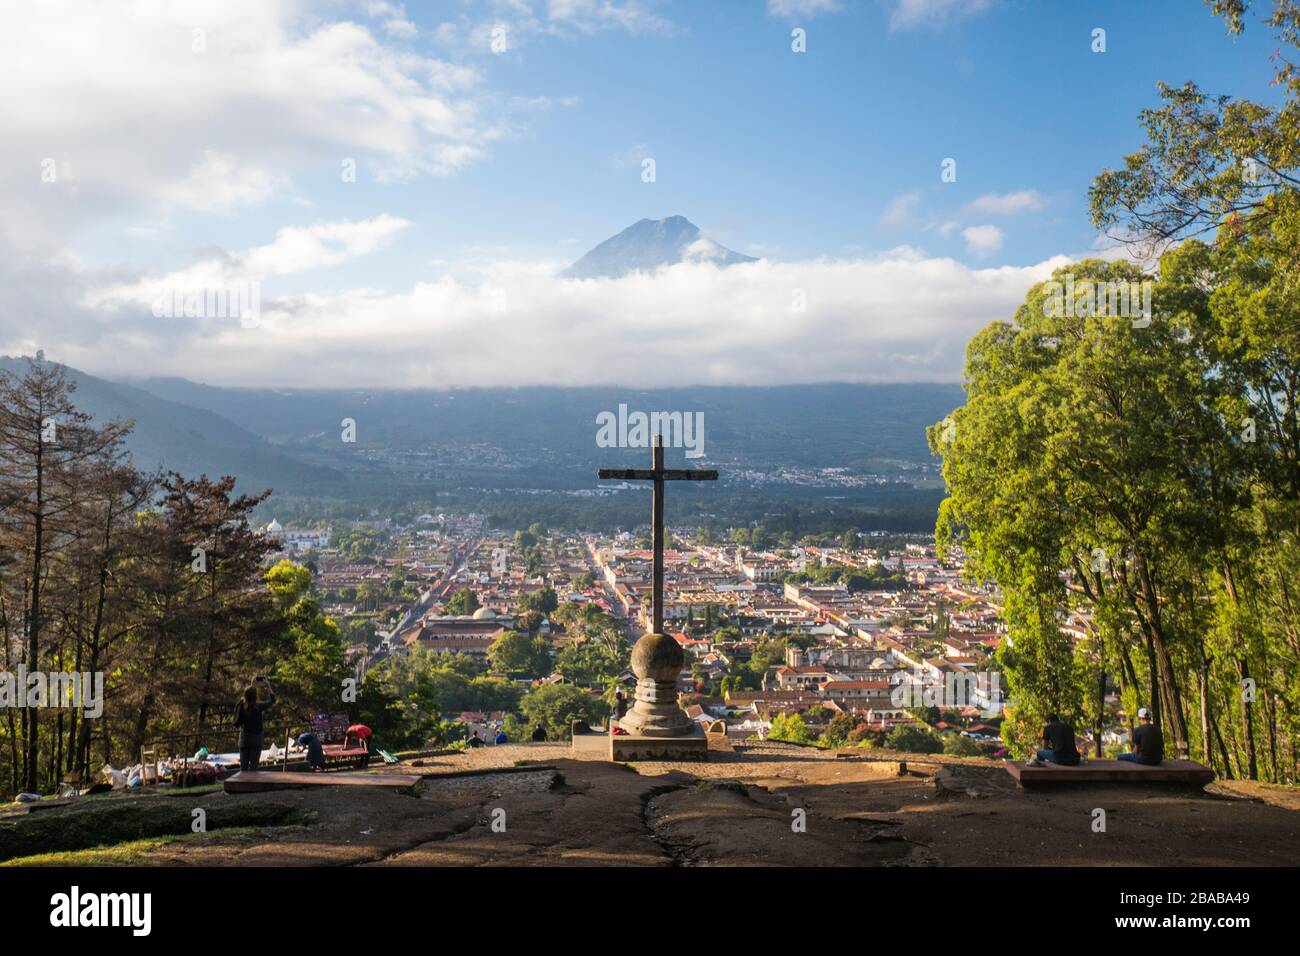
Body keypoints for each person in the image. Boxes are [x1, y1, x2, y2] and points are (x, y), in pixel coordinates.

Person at [232, 677, 275, 772]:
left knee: (243, 768)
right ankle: (252, 785)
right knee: (254, 767)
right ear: (256, 696)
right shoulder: (258, 706)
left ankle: (242, 785)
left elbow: (248, 695)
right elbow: (272, 700)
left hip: (244, 739)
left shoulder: (241, 706)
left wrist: (252, 686)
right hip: (256, 739)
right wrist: (268, 686)